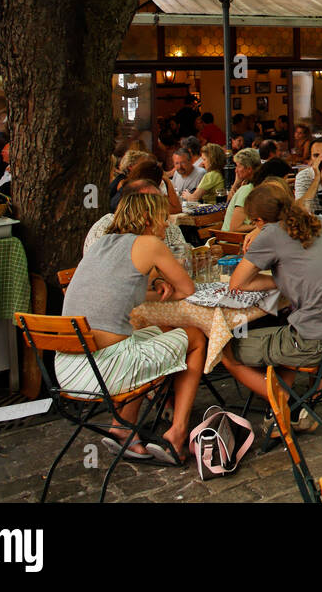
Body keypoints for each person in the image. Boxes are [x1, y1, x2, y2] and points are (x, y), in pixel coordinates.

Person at [60, 192, 207, 462]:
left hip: (68, 369)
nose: (167, 224)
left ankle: (123, 426)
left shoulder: (101, 243)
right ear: (148, 219)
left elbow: (120, 291)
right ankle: (178, 432)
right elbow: (187, 288)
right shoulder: (150, 244)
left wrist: (153, 286)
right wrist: (165, 284)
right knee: (196, 338)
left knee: (150, 336)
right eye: (163, 218)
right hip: (106, 371)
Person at [219, 183, 322, 424]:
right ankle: (295, 404)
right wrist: (284, 279)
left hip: (317, 341)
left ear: (258, 220)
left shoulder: (271, 234)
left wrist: (275, 277)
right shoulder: (318, 222)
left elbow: (237, 284)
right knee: (284, 326)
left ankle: (285, 404)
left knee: (224, 350)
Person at [86, 174, 190, 263]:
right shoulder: (107, 228)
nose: (165, 220)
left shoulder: (167, 227)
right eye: (152, 202)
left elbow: (188, 259)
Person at [222, 147, 262, 232]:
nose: (235, 170)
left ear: (249, 169)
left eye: (238, 166)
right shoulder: (246, 189)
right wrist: (261, 226)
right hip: (231, 242)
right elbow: (235, 228)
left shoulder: (249, 188)